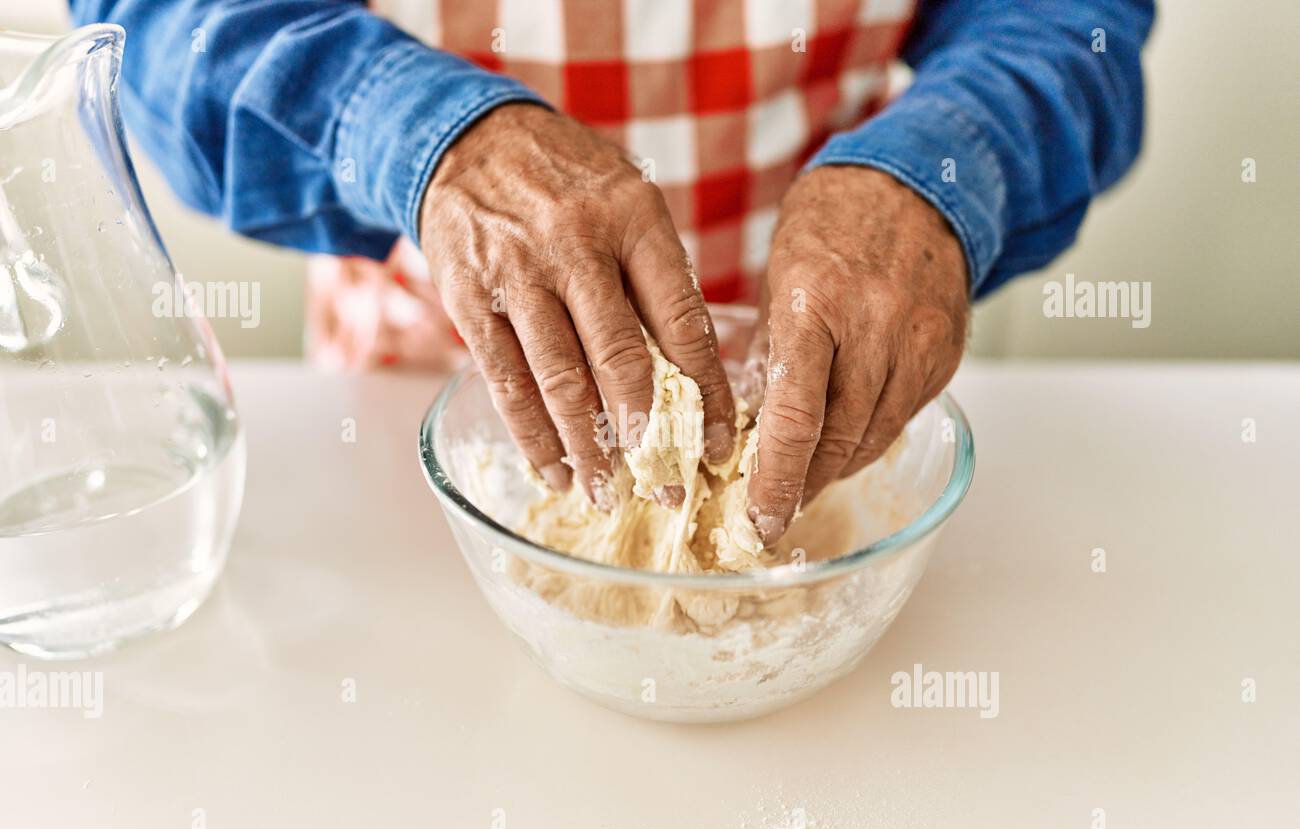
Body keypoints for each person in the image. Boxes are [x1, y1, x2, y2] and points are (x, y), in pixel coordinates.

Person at [71, 0, 1154, 546]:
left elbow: (1062, 20)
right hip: (399, 413)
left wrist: (937, 172)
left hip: (839, 406)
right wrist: (421, 134)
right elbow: (151, 23)